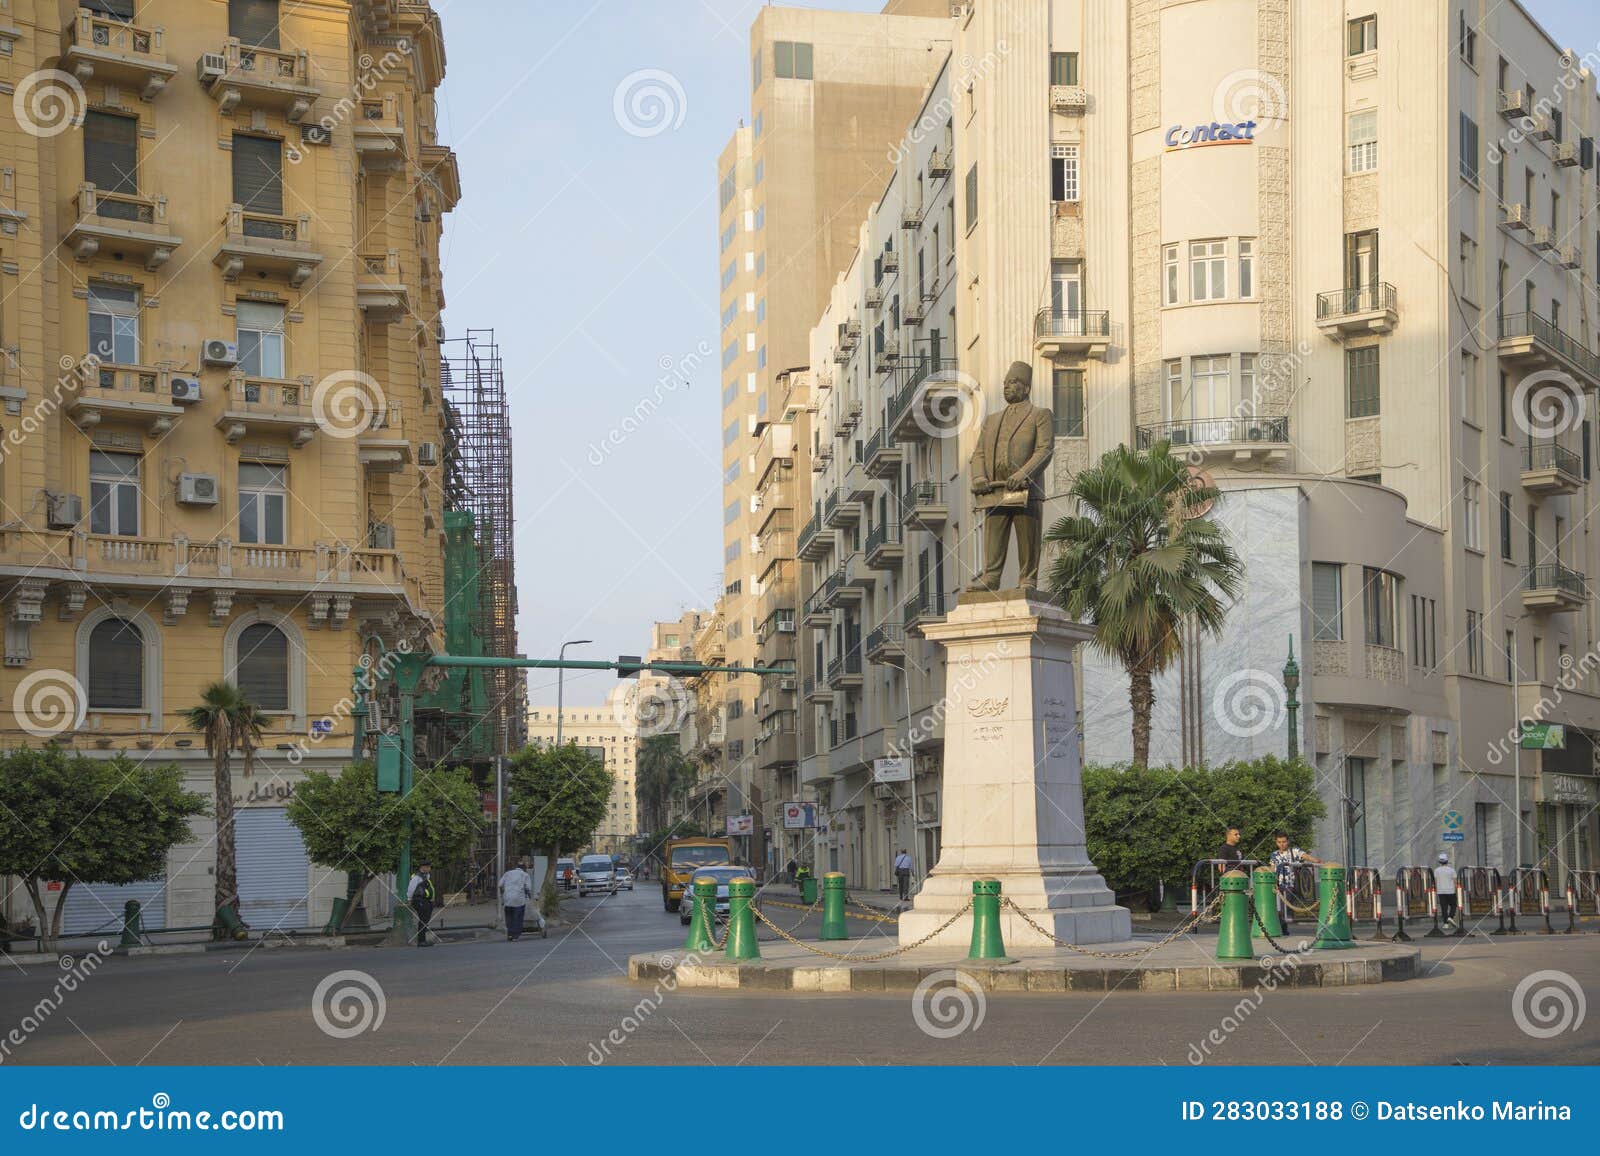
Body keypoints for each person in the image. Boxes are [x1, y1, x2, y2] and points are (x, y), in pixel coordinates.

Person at [1269, 833, 1321, 929]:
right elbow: (1272, 869)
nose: (1282, 844)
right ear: (1276, 843)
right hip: (1279, 884)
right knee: (1279, 907)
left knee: (1286, 906)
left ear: (1287, 842)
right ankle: (1283, 927)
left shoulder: (1294, 851)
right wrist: (1272, 881)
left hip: (1291, 884)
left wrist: (1316, 861)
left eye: (1284, 842)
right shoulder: (1274, 855)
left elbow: (1306, 856)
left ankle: (1283, 926)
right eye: (1279, 842)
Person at [499, 859, 534, 941]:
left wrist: (503, 894)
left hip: (507, 899)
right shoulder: (525, 875)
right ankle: (515, 936)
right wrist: (529, 897)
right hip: (519, 900)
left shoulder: (507, 873)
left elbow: (500, 885)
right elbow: (528, 888)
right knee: (517, 917)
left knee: (509, 917)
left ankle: (510, 934)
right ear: (524, 869)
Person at [406, 861, 437, 947]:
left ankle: (424, 939)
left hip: (426, 900)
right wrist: (409, 899)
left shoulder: (426, 876)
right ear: (422, 867)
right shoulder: (417, 877)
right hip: (419, 900)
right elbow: (411, 889)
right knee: (423, 920)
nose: (429, 868)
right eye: (428, 867)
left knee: (426, 919)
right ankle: (421, 941)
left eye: (429, 867)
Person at [1434, 853, 1459, 928]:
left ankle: (1446, 924)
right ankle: (1450, 917)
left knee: (1444, 907)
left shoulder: (1436, 870)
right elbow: (1455, 882)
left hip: (1441, 891)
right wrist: (1457, 889)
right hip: (1451, 891)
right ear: (1447, 861)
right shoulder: (1452, 870)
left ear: (1439, 862)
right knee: (1453, 905)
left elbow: (1435, 881)